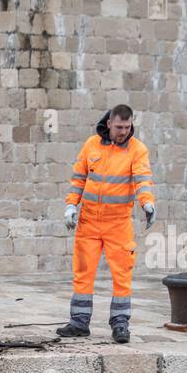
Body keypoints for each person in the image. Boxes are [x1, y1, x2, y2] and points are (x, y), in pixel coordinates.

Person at [58, 105, 156, 344]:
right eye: (119, 127)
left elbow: (142, 179)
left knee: (122, 275)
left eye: (127, 127)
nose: (124, 131)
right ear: (109, 123)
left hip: (118, 224)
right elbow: (78, 178)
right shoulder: (91, 145)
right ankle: (79, 322)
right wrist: (71, 205)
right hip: (89, 221)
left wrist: (147, 203)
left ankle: (120, 324)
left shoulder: (137, 150)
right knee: (83, 272)